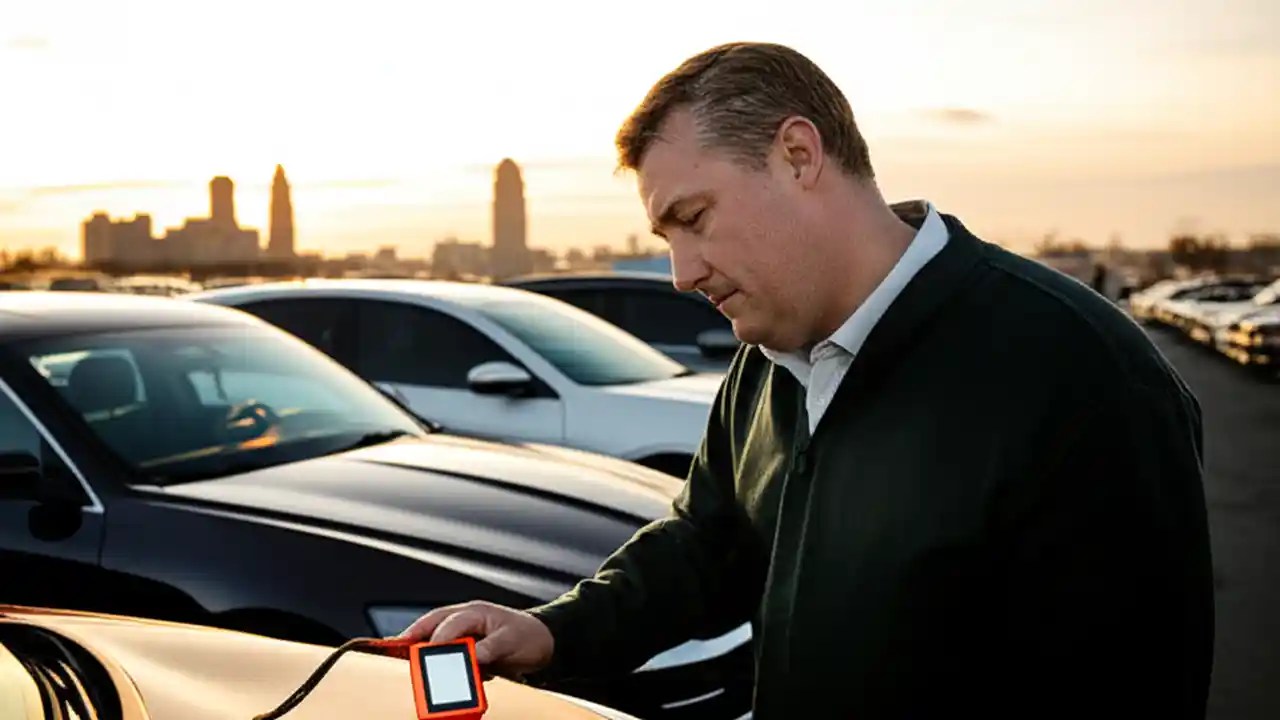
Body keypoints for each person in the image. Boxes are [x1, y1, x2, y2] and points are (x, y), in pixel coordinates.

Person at [401, 42, 1215, 718]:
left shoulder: (1079, 371)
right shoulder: (769, 358)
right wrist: (554, 633)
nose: (681, 273)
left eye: (694, 218)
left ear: (798, 155)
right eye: (663, 234)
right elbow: (710, 542)